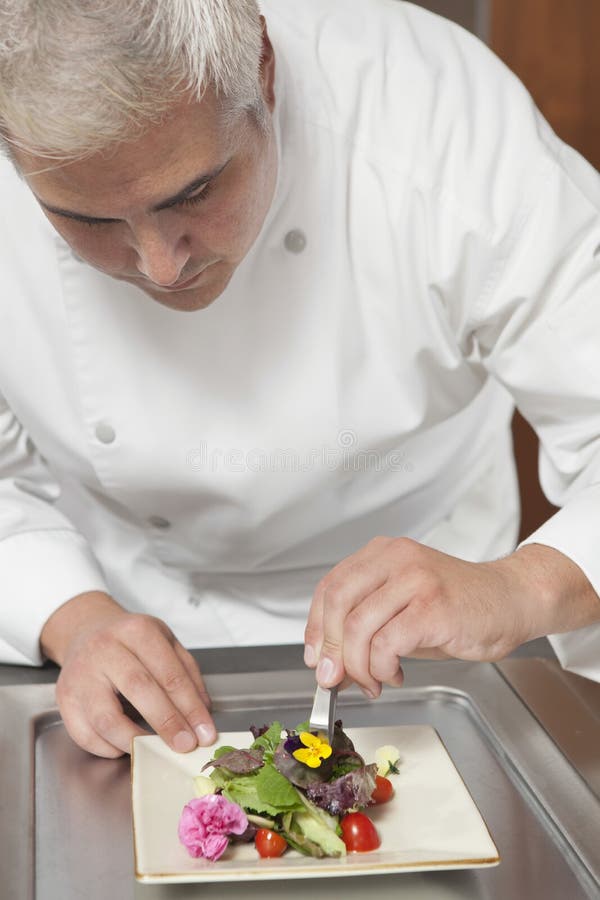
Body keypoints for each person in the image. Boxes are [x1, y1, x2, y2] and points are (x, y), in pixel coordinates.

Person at [0, 0, 599, 760]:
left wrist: (523, 587)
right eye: (88, 219)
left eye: (193, 193)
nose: (162, 265)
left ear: (264, 71)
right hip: (125, 622)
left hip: (445, 616)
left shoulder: (436, 121)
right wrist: (74, 618)